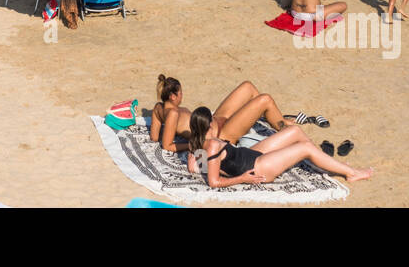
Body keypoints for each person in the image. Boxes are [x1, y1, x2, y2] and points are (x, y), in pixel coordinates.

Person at [186, 106, 371, 188]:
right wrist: (242, 178)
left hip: (251, 154)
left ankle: (323, 162)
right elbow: (214, 181)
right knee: (305, 147)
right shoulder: (210, 145)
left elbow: (203, 163)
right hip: (258, 166)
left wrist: (194, 166)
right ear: (210, 124)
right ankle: (351, 173)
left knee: (295, 132)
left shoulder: (196, 141)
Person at [150, 75, 293, 153]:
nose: (182, 95)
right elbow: (167, 146)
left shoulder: (158, 108)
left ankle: (274, 118)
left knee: (247, 87)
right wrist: (191, 145)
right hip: (222, 134)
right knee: (265, 99)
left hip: (215, 120)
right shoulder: (173, 113)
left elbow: (154, 137)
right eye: (180, 93)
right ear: (173, 96)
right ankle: (285, 131)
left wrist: (169, 128)